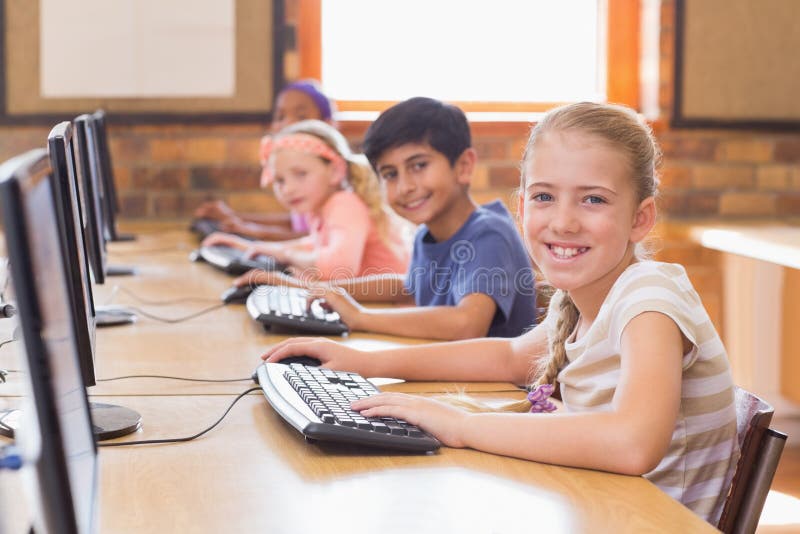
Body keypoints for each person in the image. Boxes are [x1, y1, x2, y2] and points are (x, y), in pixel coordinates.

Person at [261, 102, 740, 525]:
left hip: (640, 518)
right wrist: (366, 363)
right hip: (594, 503)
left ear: (640, 218)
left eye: (593, 198)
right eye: (544, 196)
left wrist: (463, 426)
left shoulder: (649, 299)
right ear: (522, 204)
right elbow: (509, 357)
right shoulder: (583, 297)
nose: (564, 220)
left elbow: (632, 442)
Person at [236, 97, 537, 340]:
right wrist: (313, 289)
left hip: (497, 396)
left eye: (418, 166)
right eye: (390, 174)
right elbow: (406, 286)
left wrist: (361, 317)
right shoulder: (428, 234)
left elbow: (466, 323)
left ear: (464, 166)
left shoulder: (488, 234)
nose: (405, 186)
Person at [202, 119, 409, 279]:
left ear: (335, 171)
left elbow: (339, 269)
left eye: (301, 174)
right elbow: (314, 245)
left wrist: (288, 256)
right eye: (280, 180)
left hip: (395, 313)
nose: (288, 189)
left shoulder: (344, 205)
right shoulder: (322, 208)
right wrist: (251, 247)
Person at [194, 79, 337, 240]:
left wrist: (254, 231)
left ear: (327, 125)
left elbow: (318, 238)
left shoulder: (334, 177)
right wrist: (235, 218)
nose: (287, 123)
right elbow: (297, 223)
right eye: (280, 116)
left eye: (301, 115)